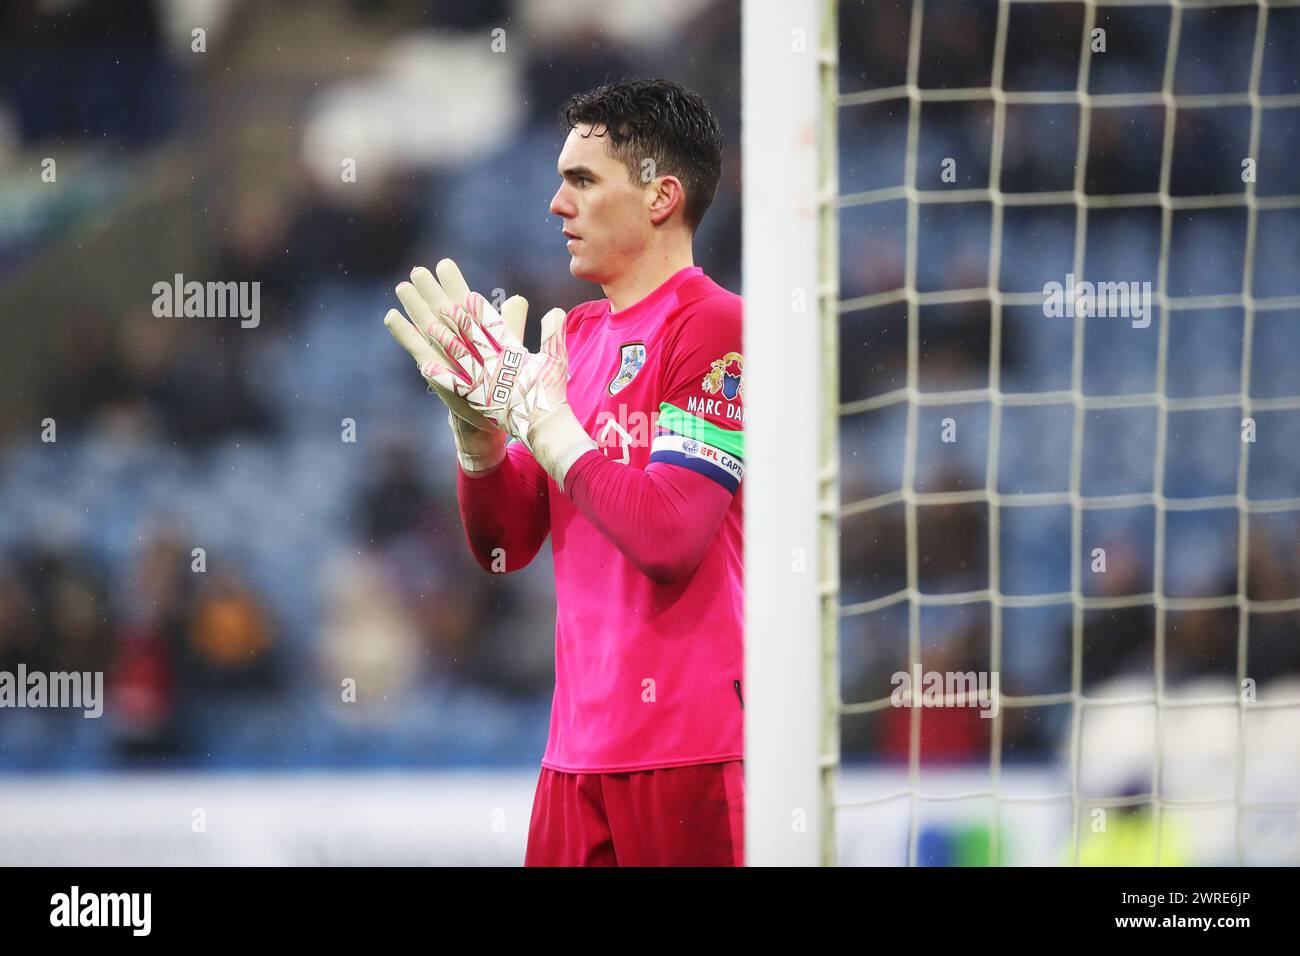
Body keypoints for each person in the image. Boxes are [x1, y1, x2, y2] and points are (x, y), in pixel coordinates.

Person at [385, 78, 745, 865]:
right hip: (576, 755)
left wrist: (547, 427)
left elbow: (671, 537)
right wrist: (478, 443)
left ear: (661, 197)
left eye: (582, 180)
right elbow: (504, 548)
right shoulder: (573, 337)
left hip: (688, 749)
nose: (556, 203)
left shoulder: (715, 325)